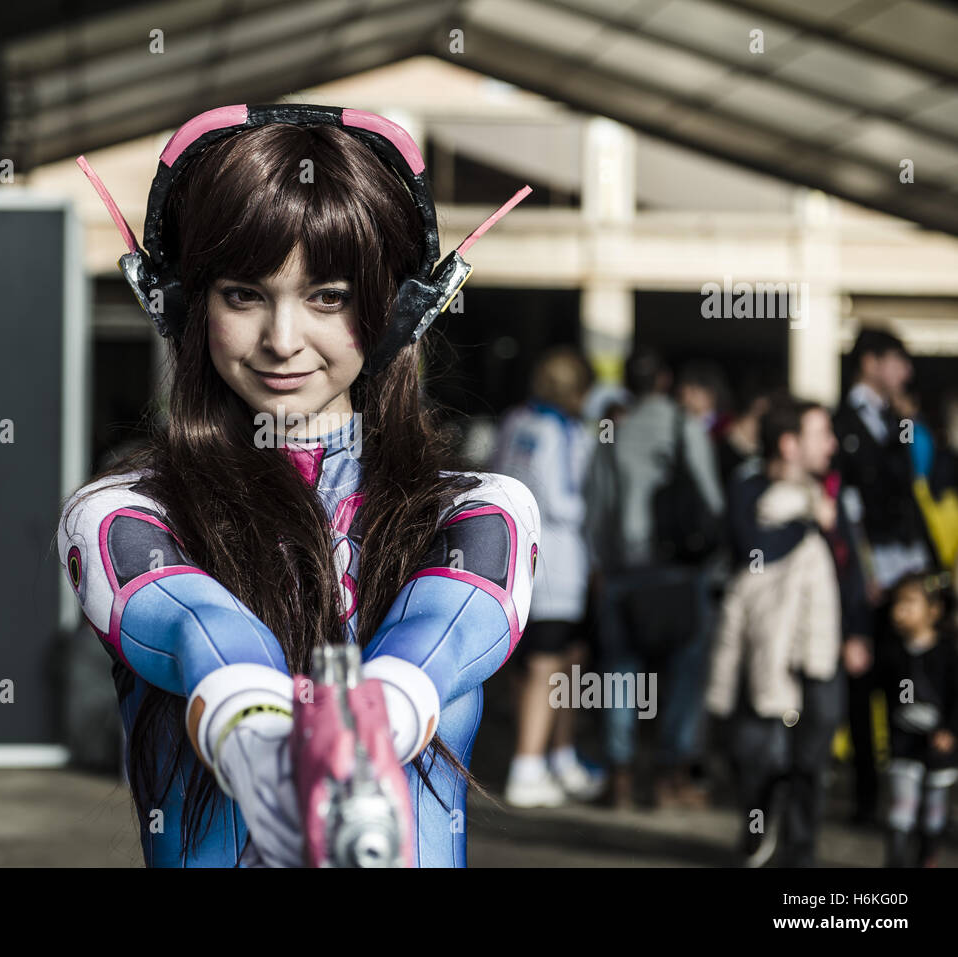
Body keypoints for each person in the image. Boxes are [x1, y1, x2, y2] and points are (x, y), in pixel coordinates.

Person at [56, 104, 541, 867]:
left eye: (328, 296)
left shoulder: (479, 512)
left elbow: (440, 634)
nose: (283, 339)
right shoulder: (124, 512)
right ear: (188, 305)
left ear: (396, 313)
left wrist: (365, 726)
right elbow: (195, 627)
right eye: (244, 294)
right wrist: (257, 733)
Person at [706, 396, 867, 867]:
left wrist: (857, 632)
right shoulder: (749, 489)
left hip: (821, 648)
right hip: (763, 651)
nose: (832, 445)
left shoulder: (834, 493)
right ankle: (757, 828)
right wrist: (807, 518)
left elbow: (851, 568)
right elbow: (752, 548)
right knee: (756, 756)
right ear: (789, 443)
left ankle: (800, 855)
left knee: (811, 766)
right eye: (822, 435)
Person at [584, 347, 725, 809]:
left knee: (621, 674)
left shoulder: (612, 431)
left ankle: (620, 774)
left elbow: (598, 504)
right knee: (685, 673)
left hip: (625, 568)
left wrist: (601, 562)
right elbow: (709, 500)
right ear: (664, 381)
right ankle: (670, 775)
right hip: (679, 568)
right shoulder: (686, 426)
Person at [833, 328, 937, 825]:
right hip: (868, 575)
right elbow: (849, 506)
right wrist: (865, 570)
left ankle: (910, 782)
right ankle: (866, 796)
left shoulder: (897, 420)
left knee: (907, 679)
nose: (905, 373)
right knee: (862, 682)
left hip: (907, 571)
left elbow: (913, 488)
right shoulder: (842, 421)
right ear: (871, 362)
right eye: (898, 360)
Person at [493, 346, 604, 806]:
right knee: (548, 665)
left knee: (548, 662)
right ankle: (529, 765)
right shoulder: (563, 430)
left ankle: (558, 757)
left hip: (517, 554)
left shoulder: (515, 420)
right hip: (560, 563)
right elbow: (565, 501)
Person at [873, 571, 958, 867]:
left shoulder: (949, 652)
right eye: (897, 604)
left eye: (910, 603)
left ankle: (928, 857)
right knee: (901, 810)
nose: (900, 611)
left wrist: (949, 730)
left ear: (933, 610)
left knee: (934, 812)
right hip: (902, 743)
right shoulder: (890, 652)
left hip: (940, 748)